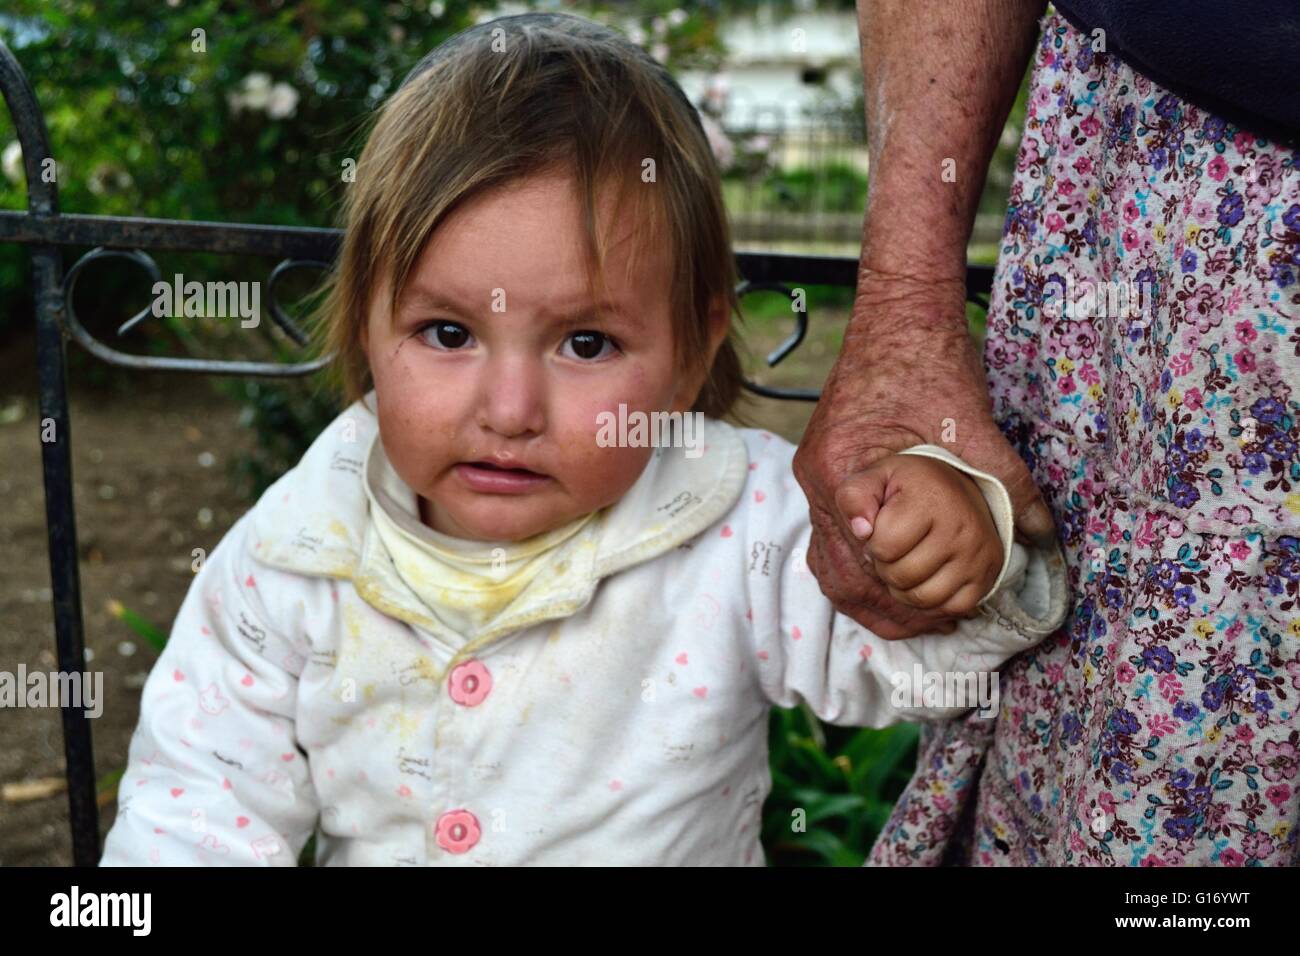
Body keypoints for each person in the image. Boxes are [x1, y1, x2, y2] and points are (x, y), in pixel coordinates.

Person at [98, 13, 1067, 867]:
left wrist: (949, 552)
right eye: (448, 333)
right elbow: (195, 809)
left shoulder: (738, 523)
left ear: (689, 354)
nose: (511, 407)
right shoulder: (297, 552)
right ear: (364, 328)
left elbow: (924, 666)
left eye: (586, 342)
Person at [797, 0, 1300, 865]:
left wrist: (959, 556)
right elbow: (915, 647)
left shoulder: (714, 515)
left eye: (585, 346)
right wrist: (973, 550)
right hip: (1180, 209)